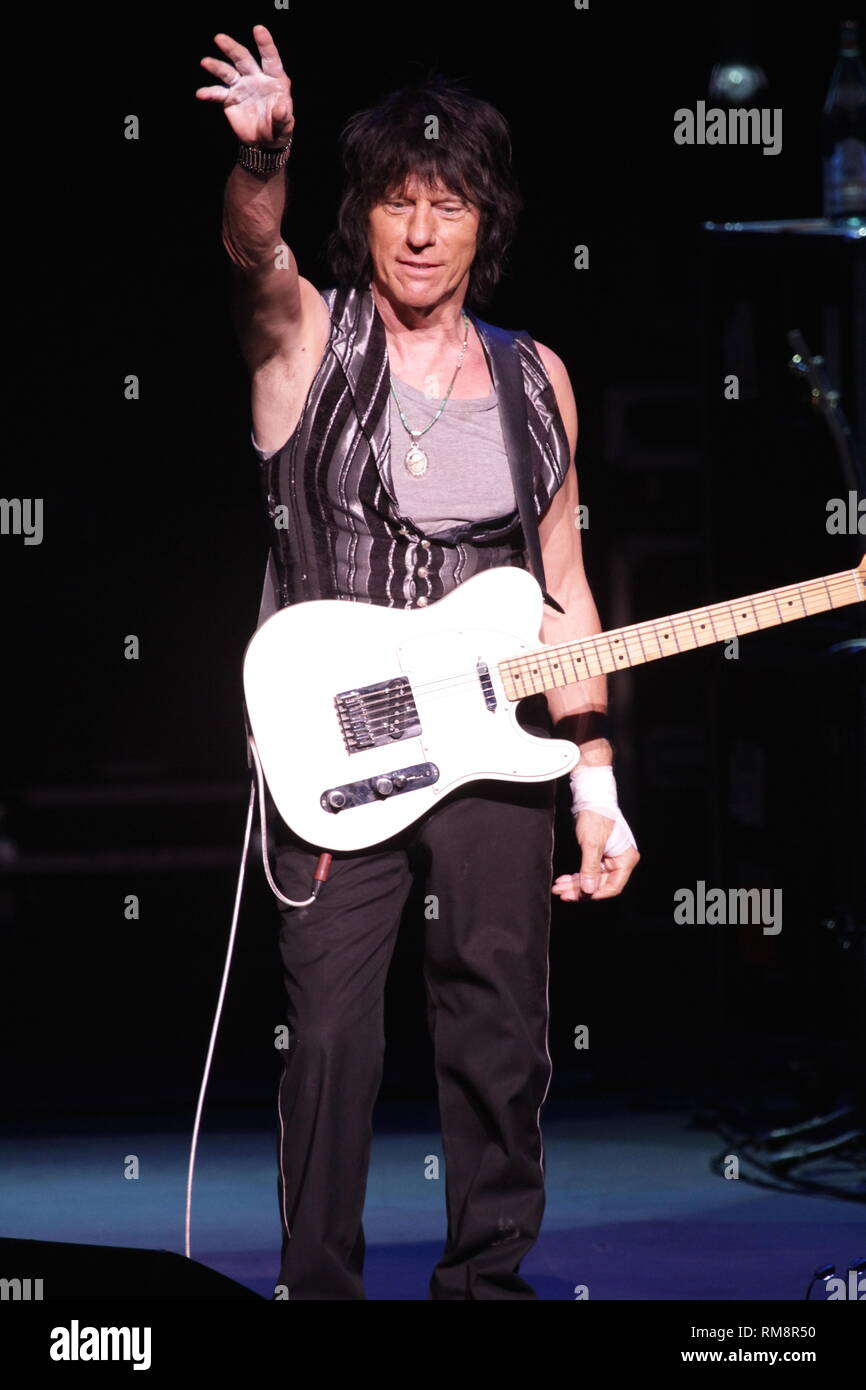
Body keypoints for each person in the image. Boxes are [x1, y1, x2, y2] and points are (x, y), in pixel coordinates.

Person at [197, 22, 640, 1301]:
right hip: (337, 742)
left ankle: (485, 1288)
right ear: (366, 215)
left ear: (482, 220)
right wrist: (265, 153)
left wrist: (593, 783)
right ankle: (319, 1289)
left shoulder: (530, 377)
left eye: (445, 206)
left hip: (495, 742)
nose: (418, 231)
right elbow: (248, 251)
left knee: (498, 1029)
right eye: (396, 202)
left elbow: (562, 591)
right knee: (329, 1037)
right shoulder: (305, 342)